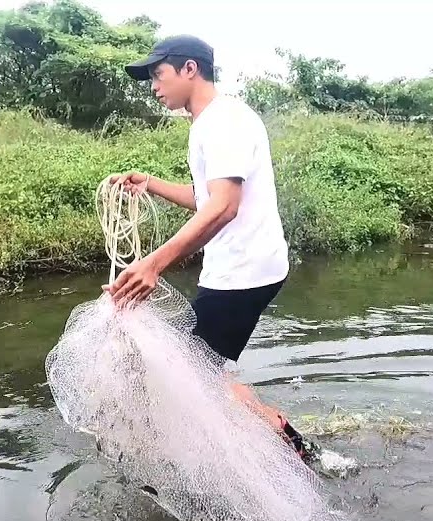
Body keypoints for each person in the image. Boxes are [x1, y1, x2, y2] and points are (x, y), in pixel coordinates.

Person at [104, 34, 315, 462]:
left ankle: (288, 445)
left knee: (190, 373)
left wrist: (154, 264)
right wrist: (153, 184)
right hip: (239, 268)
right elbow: (208, 198)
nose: (153, 86)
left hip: (244, 272)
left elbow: (224, 208)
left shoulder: (224, 121)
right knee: (196, 369)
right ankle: (281, 441)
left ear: (189, 69)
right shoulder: (210, 122)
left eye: (158, 74)